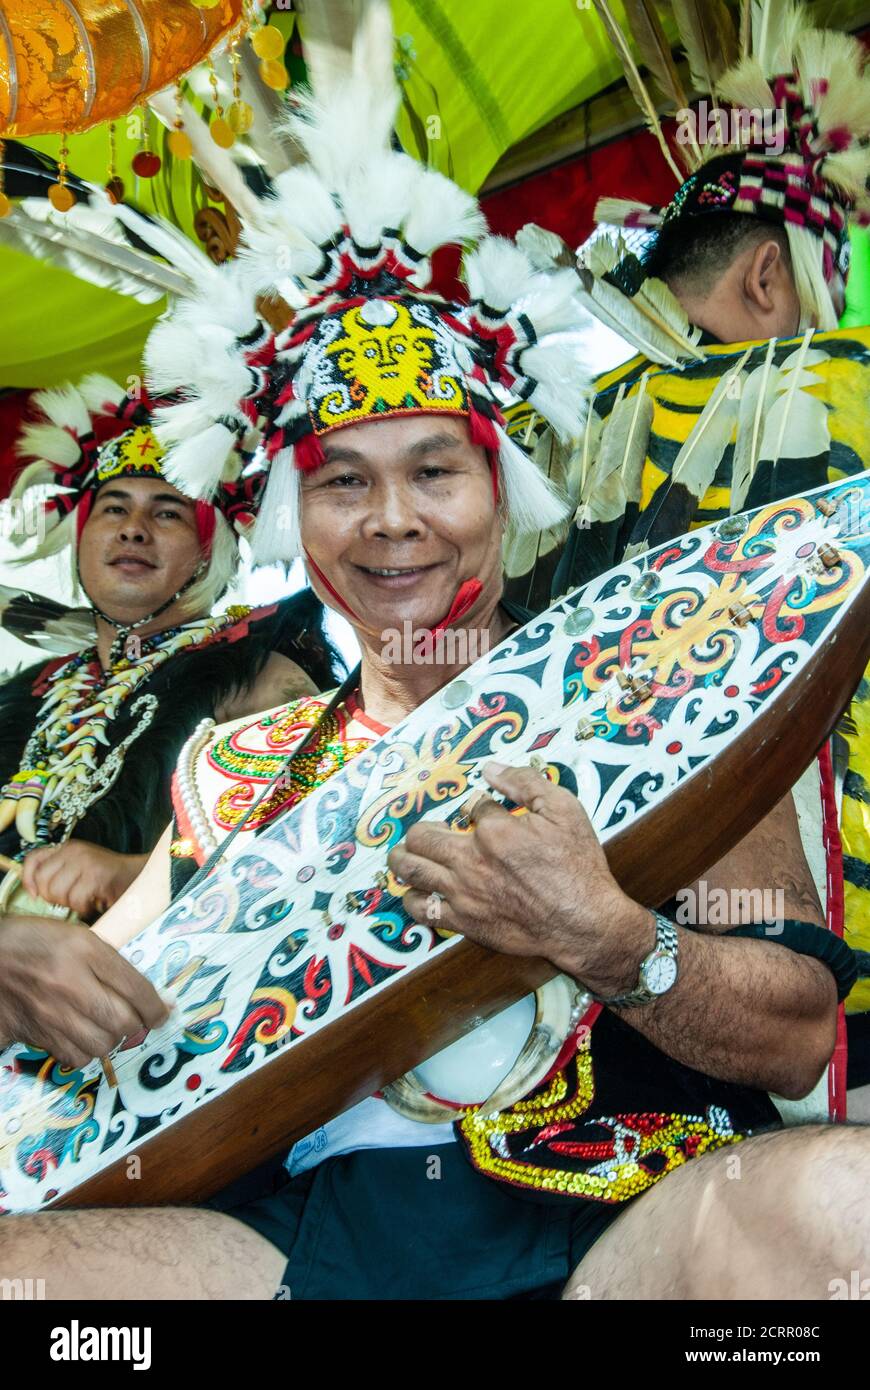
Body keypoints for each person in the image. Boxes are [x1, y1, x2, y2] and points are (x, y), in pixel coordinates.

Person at [0, 2, 865, 1301]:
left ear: (505, 496)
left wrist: (614, 938)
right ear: (299, 516)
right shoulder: (233, 771)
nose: (391, 518)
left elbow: (795, 1022)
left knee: (838, 1202)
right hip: (304, 1242)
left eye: (433, 469)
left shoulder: (663, 677)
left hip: (621, 1223)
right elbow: (111, 1000)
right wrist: (15, 958)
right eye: (342, 477)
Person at [536, 4, 870, 1112]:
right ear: (771, 280)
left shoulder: (543, 448)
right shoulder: (848, 383)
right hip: (826, 991)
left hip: (583, 995)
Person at [0, 376, 340, 1055]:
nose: (132, 527)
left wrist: (132, 874)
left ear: (209, 548)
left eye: (168, 513)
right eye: (113, 508)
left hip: (170, 1035)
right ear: (80, 533)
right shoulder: (24, 692)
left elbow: (321, 857)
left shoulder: (258, 668)